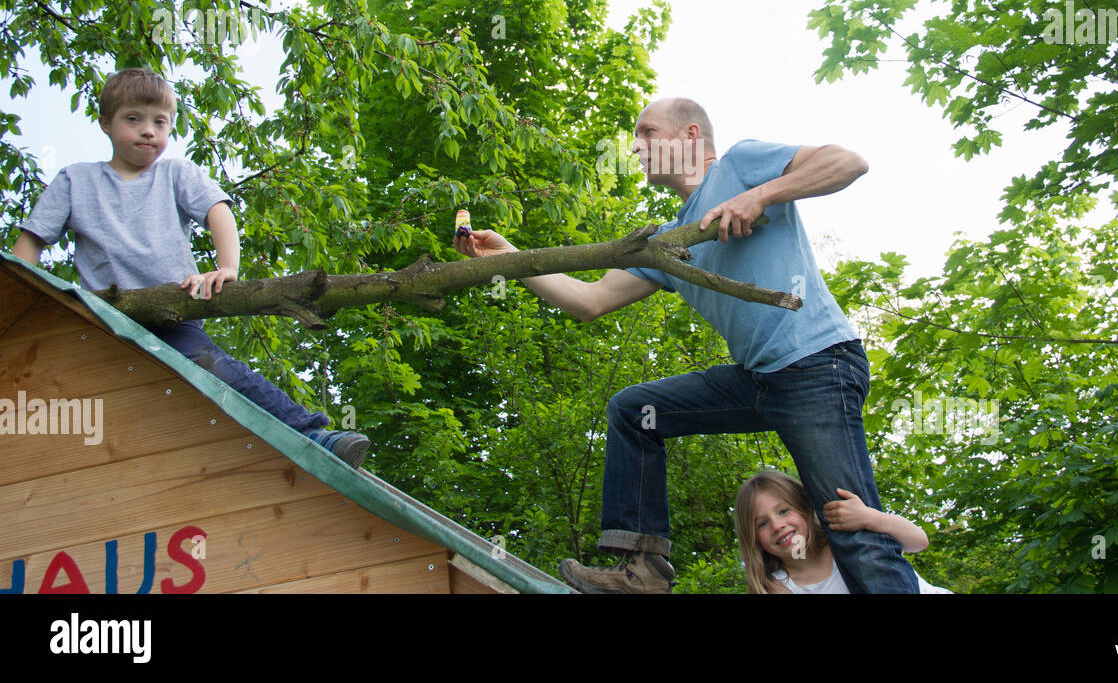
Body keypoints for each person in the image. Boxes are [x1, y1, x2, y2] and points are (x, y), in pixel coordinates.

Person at [453, 96, 920, 593]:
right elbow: (589, 301)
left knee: (852, 528)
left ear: (691, 135)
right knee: (635, 411)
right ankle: (643, 570)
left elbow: (848, 162)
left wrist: (762, 195)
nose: (635, 147)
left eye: (647, 132)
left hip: (817, 366)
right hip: (758, 380)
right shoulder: (669, 242)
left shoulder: (740, 166)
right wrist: (508, 257)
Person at [12, 67, 370, 467]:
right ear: (105, 123)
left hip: (172, 317)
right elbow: (31, 240)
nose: (148, 130)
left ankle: (315, 435)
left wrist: (227, 268)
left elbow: (218, 211)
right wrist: (29, 305)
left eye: (159, 122)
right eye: (134, 119)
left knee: (212, 368)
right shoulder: (75, 181)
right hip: (102, 323)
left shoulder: (176, 173)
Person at [735, 470, 952, 594]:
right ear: (754, 539)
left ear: (804, 509)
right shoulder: (775, 587)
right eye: (762, 524)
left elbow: (919, 541)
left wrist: (869, 517)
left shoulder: (846, 542)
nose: (777, 525)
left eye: (783, 511)